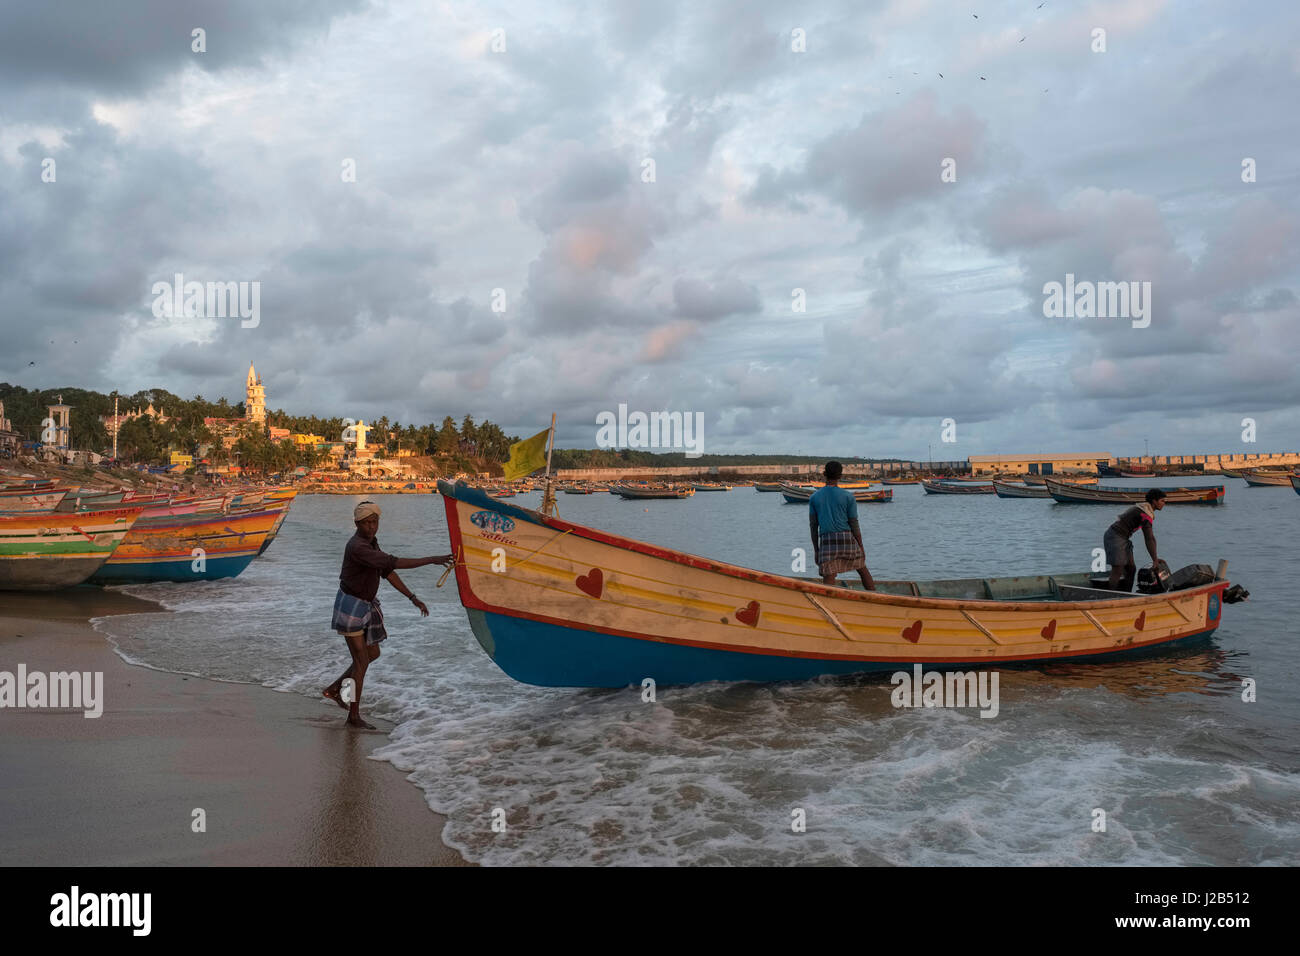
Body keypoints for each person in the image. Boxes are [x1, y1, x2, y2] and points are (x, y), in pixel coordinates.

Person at [324, 500, 453, 728]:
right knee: (361, 661)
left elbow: (388, 572)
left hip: (366, 605)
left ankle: (336, 689)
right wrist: (432, 559)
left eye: (375, 522)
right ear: (356, 523)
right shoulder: (358, 547)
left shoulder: (371, 543)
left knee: (372, 654)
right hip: (351, 607)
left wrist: (412, 598)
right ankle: (353, 716)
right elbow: (394, 562)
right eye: (367, 523)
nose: (372, 527)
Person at [809, 461, 875, 590]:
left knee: (829, 575)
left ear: (824, 475)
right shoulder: (848, 497)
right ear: (840, 476)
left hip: (827, 540)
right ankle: (877, 598)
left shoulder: (814, 497)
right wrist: (860, 546)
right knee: (862, 568)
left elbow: (813, 527)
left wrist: (816, 550)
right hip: (846, 538)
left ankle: (828, 603)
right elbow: (854, 524)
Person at [1104, 488, 1167, 591]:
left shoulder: (1145, 510)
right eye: (1162, 501)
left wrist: (1155, 558)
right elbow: (1148, 538)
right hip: (1114, 537)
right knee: (1118, 570)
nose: (1164, 504)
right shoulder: (1144, 514)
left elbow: (1152, 537)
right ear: (1154, 501)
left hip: (1123, 538)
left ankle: (1127, 594)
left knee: (1131, 569)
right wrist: (1154, 560)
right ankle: (1112, 596)